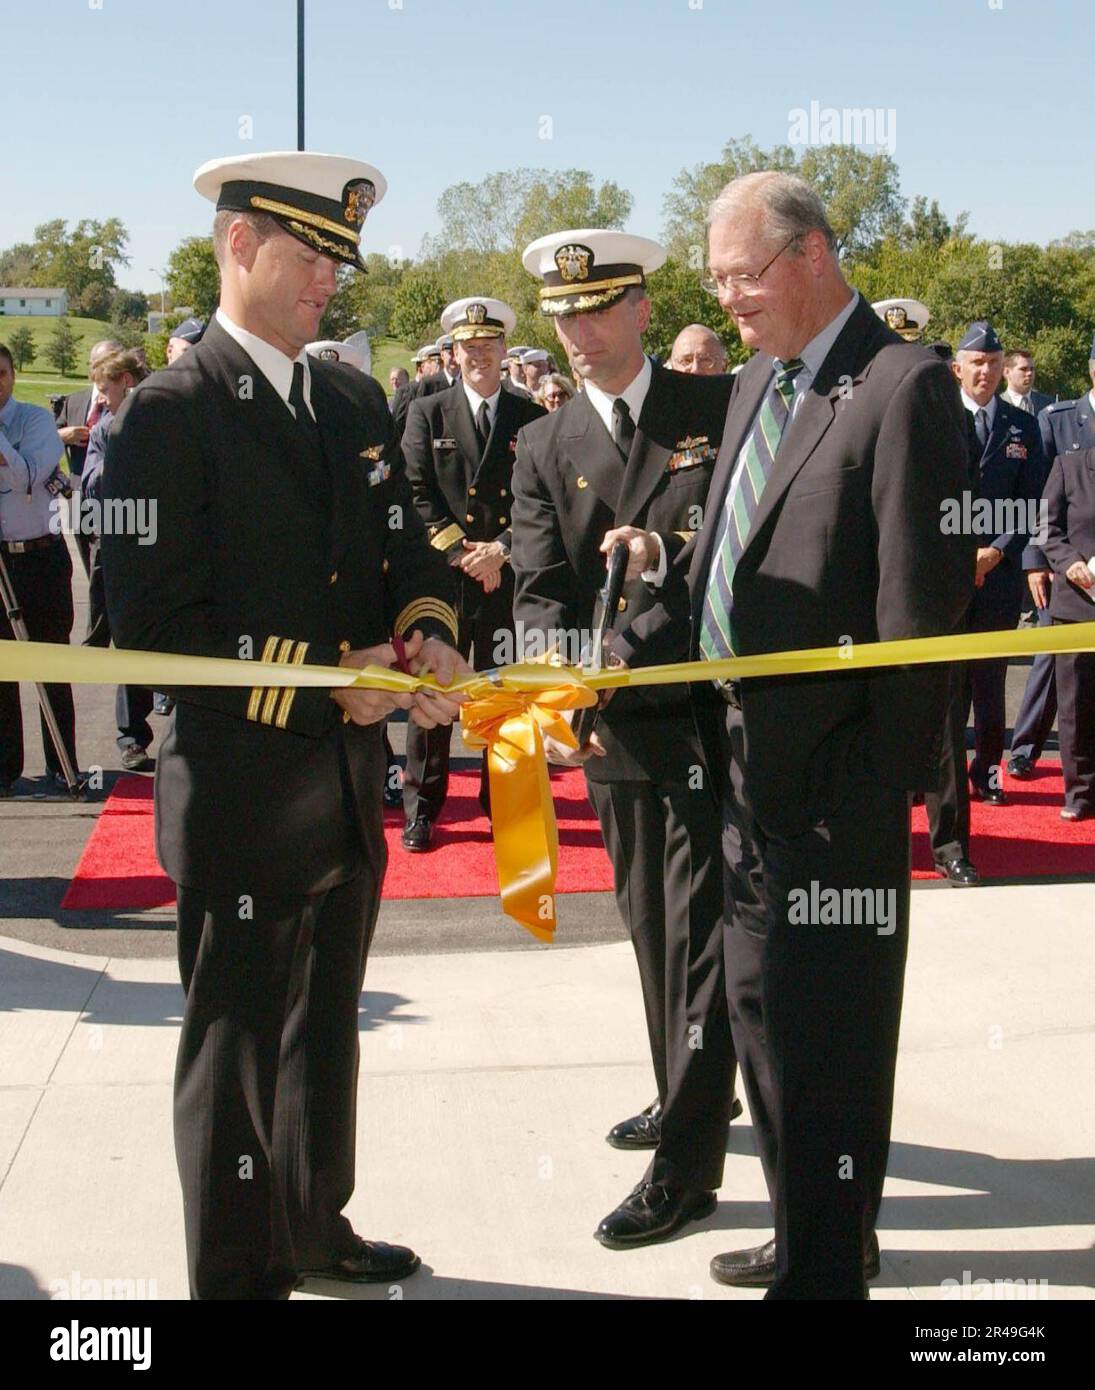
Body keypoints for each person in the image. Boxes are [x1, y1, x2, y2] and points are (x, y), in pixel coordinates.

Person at [102, 150, 468, 1300]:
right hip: (243, 786)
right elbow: (149, 626)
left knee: (324, 1031)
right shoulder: (174, 409)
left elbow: (411, 548)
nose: (327, 280)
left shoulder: (354, 400)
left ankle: (315, 1224)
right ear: (237, 244)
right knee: (238, 1049)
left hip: (349, 781)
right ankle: (234, 1274)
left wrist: (429, 630)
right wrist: (325, 675)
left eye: (339, 260)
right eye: (307, 252)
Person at [611, 172, 972, 1297]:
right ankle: (815, 1220)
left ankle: (824, 1268)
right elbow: (724, 570)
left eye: (742, 275)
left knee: (831, 1037)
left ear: (812, 253)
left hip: (833, 793)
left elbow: (922, 621)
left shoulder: (902, 387)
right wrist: (612, 658)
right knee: (764, 1020)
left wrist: (870, 788)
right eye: (716, 279)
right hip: (741, 775)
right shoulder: (760, 381)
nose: (727, 300)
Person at [513, 228, 739, 1250]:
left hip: (710, 721)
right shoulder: (542, 444)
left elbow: (727, 564)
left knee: (698, 942)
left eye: (597, 308)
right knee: (656, 932)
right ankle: (683, 1088)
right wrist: (559, 687)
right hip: (613, 737)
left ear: (644, 308)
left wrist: (622, 642)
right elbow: (536, 592)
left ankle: (687, 1167)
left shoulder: (718, 411)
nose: (576, 331)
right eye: (562, 314)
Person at [400, 298, 545, 851]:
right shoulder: (427, 412)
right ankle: (422, 805)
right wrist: (464, 553)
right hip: (445, 579)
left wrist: (501, 551)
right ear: (452, 353)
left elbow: (538, 500)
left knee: (502, 694)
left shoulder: (530, 416)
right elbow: (416, 494)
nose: (478, 355)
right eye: (468, 347)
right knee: (434, 693)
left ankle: (502, 801)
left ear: (506, 350)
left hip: (505, 578)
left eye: (488, 345)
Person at [925, 322, 1046, 886]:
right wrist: (957, 558)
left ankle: (989, 773)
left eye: (993, 362)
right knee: (947, 707)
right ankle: (950, 841)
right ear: (958, 368)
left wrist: (995, 552)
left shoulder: (1024, 426)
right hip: (945, 585)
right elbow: (916, 502)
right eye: (975, 362)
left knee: (990, 691)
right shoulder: (932, 420)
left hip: (995, 582)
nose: (984, 371)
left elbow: (1032, 503)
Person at [1008, 335, 1095, 777]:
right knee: (1051, 660)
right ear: (1092, 367)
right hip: (1065, 565)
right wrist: (1036, 560)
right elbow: (1038, 494)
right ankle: (1025, 747)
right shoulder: (1059, 419)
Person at [0, 342, 78, 796]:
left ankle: (62, 766)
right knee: (3, 674)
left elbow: (29, 476)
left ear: (13, 373)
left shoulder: (35, 420)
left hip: (42, 558)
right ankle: (6, 769)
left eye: (2, 372)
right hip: (1, 559)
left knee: (51, 663)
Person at [80, 348, 158, 770]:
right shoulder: (103, 432)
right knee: (128, 641)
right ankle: (132, 737)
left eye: (106, 390)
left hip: (166, 547)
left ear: (126, 381)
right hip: (120, 545)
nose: (101, 399)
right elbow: (91, 486)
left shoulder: (167, 419)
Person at [1041, 445, 1095, 819]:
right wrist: (1069, 563)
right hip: (1076, 607)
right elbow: (1046, 528)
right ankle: (1080, 793)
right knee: (1075, 707)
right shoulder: (1067, 466)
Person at [1001, 348, 1053, 415]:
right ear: (1007, 372)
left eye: (1032, 369)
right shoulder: (996, 406)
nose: (1029, 373)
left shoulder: (1049, 405)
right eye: (1023, 369)